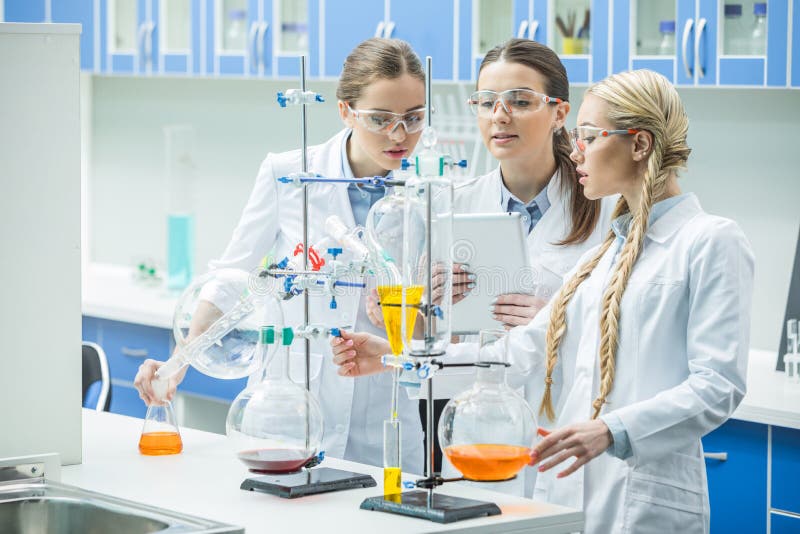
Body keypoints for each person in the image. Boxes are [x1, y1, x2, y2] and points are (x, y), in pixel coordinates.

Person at [331, 68, 754, 533]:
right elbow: (517, 354)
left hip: (645, 496)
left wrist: (614, 430)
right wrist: (399, 358)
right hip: (570, 492)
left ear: (640, 145)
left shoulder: (710, 240)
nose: (576, 151)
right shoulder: (602, 257)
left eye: (590, 136)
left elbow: (718, 385)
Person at [134, 37, 428, 475]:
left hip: (385, 416)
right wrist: (180, 362)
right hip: (291, 411)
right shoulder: (287, 174)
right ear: (345, 110)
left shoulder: (432, 192)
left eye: (413, 118)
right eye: (381, 119)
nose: (399, 135)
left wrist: (410, 313)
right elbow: (231, 276)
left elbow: (439, 317)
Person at [358, 38, 617, 488]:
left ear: (560, 112)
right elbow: (416, 333)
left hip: (564, 432)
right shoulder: (446, 206)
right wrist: (426, 310)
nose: (500, 115)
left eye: (520, 101)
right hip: (469, 434)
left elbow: (634, 334)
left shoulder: (609, 212)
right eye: (486, 101)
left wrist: (559, 326)